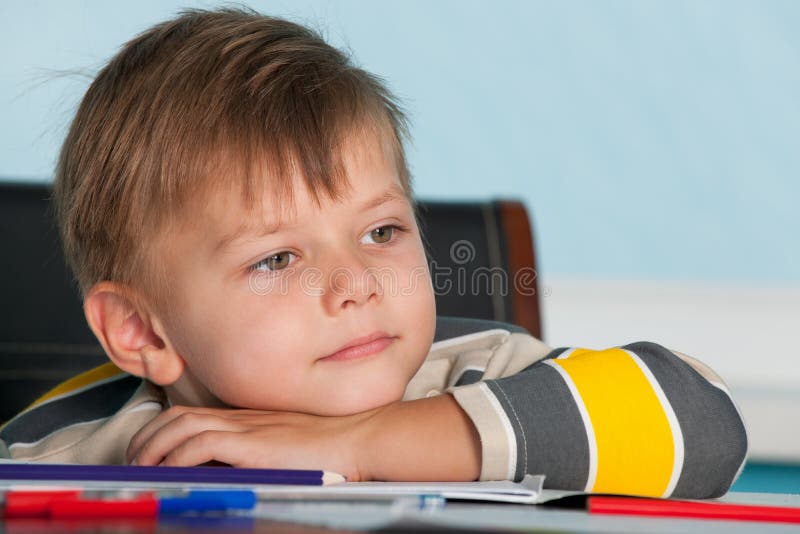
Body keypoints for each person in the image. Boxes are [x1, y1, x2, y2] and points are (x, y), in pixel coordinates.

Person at [0, 7, 747, 499]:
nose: (355, 282)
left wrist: (358, 442)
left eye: (381, 232)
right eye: (278, 258)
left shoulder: (487, 370)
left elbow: (708, 424)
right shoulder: (65, 453)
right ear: (143, 332)